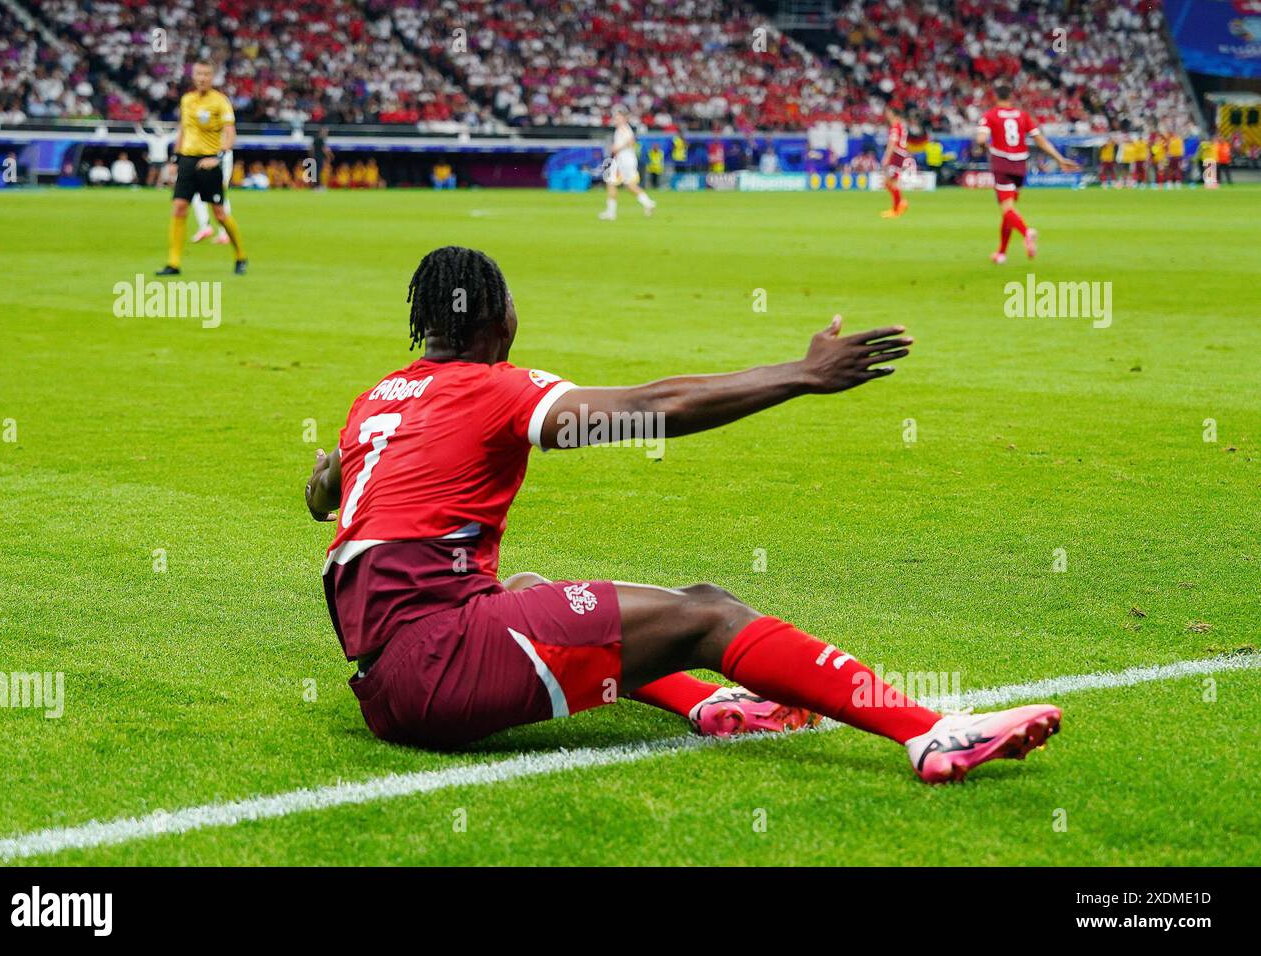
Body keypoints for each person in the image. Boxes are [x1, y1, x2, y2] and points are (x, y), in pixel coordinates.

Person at [303, 245, 1062, 783]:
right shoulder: (497, 388)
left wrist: (321, 482)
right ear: (497, 319)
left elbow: (326, 493)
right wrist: (798, 375)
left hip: (387, 684)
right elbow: (649, 410)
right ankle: (929, 734)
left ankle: (711, 707)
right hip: (441, 668)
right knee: (709, 612)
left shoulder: (375, 401)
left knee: (524, 584)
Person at [156, 60, 247, 276]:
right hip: (187, 159)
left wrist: (219, 156)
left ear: (212, 77)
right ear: (193, 76)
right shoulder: (187, 100)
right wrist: (174, 159)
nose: (202, 78)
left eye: (206, 74)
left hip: (209, 160)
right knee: (179, 207)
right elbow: (183, 130)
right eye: (198, 74)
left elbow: (230, 132)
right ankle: (174, 263)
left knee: (220, 214)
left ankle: (240, 255)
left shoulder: (220, 101)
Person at [975, 82, 1079, 264]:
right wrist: (1060, 159)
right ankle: (1001, 254)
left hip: (1002, 163)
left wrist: (986, 147)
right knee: (1009, 210)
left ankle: (1026, 232)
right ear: (1011, 97)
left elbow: (981, 139)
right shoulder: (1023, 116)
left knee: (1007, 209)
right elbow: (1040, 140)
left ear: (995, 97)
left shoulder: (990, 115)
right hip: (1019, 166)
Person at [599, 108, 656, 220]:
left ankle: (611, 213)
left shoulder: (624, 129)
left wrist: (617, 148)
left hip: (625, 161)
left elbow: (631, 141)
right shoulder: (621, 129)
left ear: (624, 119)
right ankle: (648, 203)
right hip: (624, 160)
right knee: (628, 185)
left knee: (612, 182)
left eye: (618, 118)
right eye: (615, 118)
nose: (616, 120)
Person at [879, 104, 909, 218]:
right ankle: (900, 203)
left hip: (896, 155)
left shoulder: (895, 127)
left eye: (888, 112)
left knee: (891, 182)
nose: (886, 114)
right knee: (888, 182)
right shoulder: (901, 125)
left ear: (892, 113)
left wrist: (886, 157)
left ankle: (896, 209)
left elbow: (892, 143)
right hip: (900, 154)